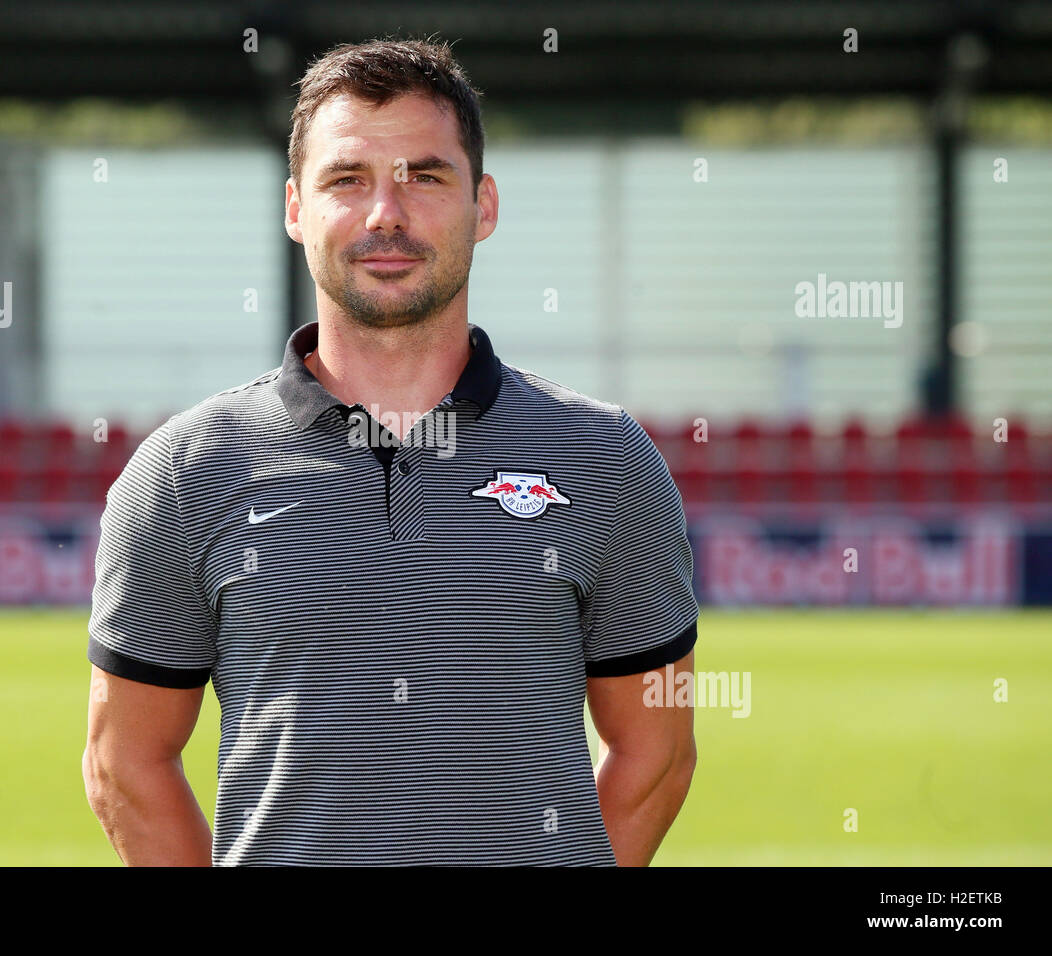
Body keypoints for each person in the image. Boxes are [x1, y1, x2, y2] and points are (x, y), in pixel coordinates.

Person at [83, 37, 698, 866]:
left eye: (425, 175)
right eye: (348, 180)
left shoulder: (607, 459)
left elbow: (656, 754)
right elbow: (125, 765)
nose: (386, 215)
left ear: (483, 205)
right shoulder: (183, 473)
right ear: (296, 208)